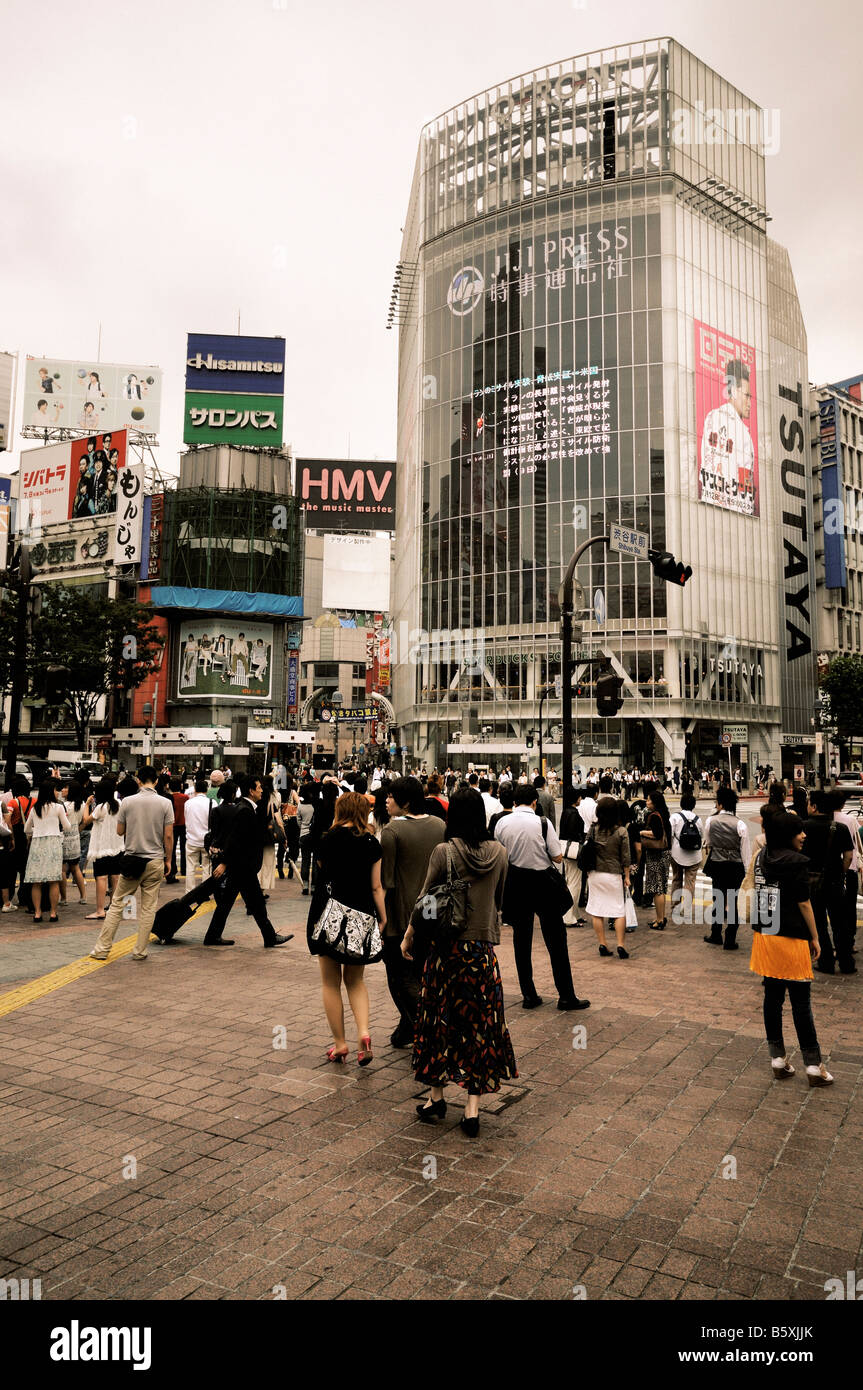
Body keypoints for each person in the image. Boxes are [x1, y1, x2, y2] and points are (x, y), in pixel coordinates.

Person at [403, 787, 517, 1137]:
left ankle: (435, 1098)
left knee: (438, 1021)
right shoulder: (499, 852)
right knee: (479, 1028)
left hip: (445, 953)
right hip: (481, 954)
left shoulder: (443, 852)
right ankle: (471, 1110)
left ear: (453, 817)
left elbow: (425, 901)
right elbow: (499, 901)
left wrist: (409, 935)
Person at [750, 813, 833, 1087]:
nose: (804, 835)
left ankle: (777, 1059)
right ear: (788, 834)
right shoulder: (797, 862)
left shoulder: (762, 856)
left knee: (772, 998)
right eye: (799, 831)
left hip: (766, 935)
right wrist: (816, 937)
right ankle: (813, 1065)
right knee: (801, 1003)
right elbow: (804, 903)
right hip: (792, 937)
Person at [307, 792, 386, 1064]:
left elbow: (322, 870)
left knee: (330, 982)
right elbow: (377, 886)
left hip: (329, 915)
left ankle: (340, 1044)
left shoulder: (327, 839)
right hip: (362, 913)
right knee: (356, 980)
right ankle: (364, 1034)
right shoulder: (371, 843)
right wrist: (382, 918)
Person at [494, 784, 589, 1011]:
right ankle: (566, 995)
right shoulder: (543, 823)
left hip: (516, 883)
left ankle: (529, 994)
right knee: (556, 941)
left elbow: (499, 855)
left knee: (522, 940)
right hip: (543, 885)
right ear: (535, 802)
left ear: (514, 802)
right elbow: (557, 857)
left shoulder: (501, 823)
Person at [380, 776, 446, 1048]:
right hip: (433, 911)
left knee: (397, 974)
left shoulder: (391, 832)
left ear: (405, 802)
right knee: (424, 971)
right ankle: (406, 1029)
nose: (386, 800)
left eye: (391, 796)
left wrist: (380, 920)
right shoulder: (439, 825)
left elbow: (386, 882)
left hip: (401, 914)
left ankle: (422, 1025)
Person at [88, 767, 174, 961]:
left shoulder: (127, 802)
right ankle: (140, 950)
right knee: (148, 907)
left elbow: (120, 831)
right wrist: (168, 860)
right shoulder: (165, 803)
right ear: (157, 781)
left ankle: (102, 949)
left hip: (132, 860)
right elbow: (168, 835)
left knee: (118, 903)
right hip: (155, 860)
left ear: (138, 780)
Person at [203, 776, 292, 949]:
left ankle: (213, 935)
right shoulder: (244, 810)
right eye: (258, 787)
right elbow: (235, 840)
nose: (261, 790)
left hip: (241, 867)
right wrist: (225, 863)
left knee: (234, 903)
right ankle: (269, 936)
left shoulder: (246, 808)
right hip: (242, 866)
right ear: (251, 791)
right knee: (255, 903)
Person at [802, 790, 853, 975]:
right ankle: (847, 962)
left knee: (819, 924)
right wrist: (840, 872)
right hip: (835, 882)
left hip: (812, 883)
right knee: (841, 923)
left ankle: (826, 961)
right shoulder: (840, 828)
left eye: (809, 803)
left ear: (814, 807)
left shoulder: (803, 827)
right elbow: (848, 857)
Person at [703, 786, 750, 950]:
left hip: (717, 865)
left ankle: (715, 934)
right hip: (735, 867)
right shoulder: (741, 825)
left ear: (720, 804)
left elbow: (707, 842)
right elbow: (745, 853)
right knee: (733, 901)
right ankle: (730, 938)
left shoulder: (710, 821)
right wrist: (747, 872)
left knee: (718, 899)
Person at [585, 796, 632, 958]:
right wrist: (627, 876)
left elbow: (586, 849)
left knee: (597, 910)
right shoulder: (621, 832)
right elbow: (626, 857)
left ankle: (602, 943)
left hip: (595, 873)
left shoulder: (593, 829)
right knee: (618, 910)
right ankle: (620, 944)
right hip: (613, 874)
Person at [23, 779, 71, 923]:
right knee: (53, 881)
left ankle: (37, 913)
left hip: (37, 844)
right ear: (51, 792)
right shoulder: (58, 808)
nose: (58, 792)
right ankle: (53, 913)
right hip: (53, 843)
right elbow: (67, 827)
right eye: (56, 790)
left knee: (36, 882)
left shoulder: (34, 808)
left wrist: (37, 830)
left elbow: (26, 829)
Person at [85, 778, 125, 920]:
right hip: (117, 847)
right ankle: (114, 909)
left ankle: (100, 910)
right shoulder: (119, 804)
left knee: (101, 878)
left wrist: (87, 805)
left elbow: (86, 820)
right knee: (115, 877)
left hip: (101, 848)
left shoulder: (100, 808)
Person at [830, 789, 860, 961]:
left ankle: (837, 942)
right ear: (843, 804)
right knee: (850, 906)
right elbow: (858, 844)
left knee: (835, 908)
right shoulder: (850, 820)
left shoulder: (827, 819)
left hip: (833, 868)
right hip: (851, 868)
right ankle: (850, 941)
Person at [639, 789, 673, 931]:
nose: (646, 802)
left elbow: (657, 834)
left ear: (654, 802)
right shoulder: (664, 814)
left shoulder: (654, 816)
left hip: (656, 855)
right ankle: (660, 917)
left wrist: (642, 832)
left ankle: (659, 920)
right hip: (664, 853)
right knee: (660, 887)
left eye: (648, 800)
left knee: (657, 888)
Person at [669, 791, 704, 922]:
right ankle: (686, 909)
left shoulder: (674, 817)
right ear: (693, 805)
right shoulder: (698, 819)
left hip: (677, 854)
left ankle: (675, 907)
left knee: (676, 879)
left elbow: (670, 835)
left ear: (681, 804)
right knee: (690, 883)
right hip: (694, 856)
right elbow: (701, 836)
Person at [558, 787, 587, 928]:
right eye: (579, 797)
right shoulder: (574, 814)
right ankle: (569, 916)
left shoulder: (565, 812)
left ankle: (575, 914)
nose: (580, 799)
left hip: (566, 851)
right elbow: (576, 834)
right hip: (574, 852)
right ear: (575, 799)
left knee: (572, 881)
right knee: (575, 884)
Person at [59, 780, 91, 906]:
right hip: (75, 838)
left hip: (63, 838)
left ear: (71, 790)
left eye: (66, 788)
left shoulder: (64, 805)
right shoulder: (81, 804)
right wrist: (77, 830)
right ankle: (83, 896)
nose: (63, 790)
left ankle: (64, 898)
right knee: (75, 868)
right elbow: (85, 822)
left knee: (62, 869)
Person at [183, 778, 211, 894]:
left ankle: (189, 892)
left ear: (195, 789)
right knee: (207, 867)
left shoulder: (188, 803)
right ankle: (205, 893)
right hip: (206, 840)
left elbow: (187, 819)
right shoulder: (211, 802)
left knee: (190, 868)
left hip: (192, 839)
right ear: (206, 790)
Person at [164, 778, 188, 883]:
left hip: (172, 826)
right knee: (184, 848)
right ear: (181, 786)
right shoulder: (185, 797)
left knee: (171, 849)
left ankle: (172, 871)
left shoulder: (168, 798)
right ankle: (184, 869)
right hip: (183, 825)